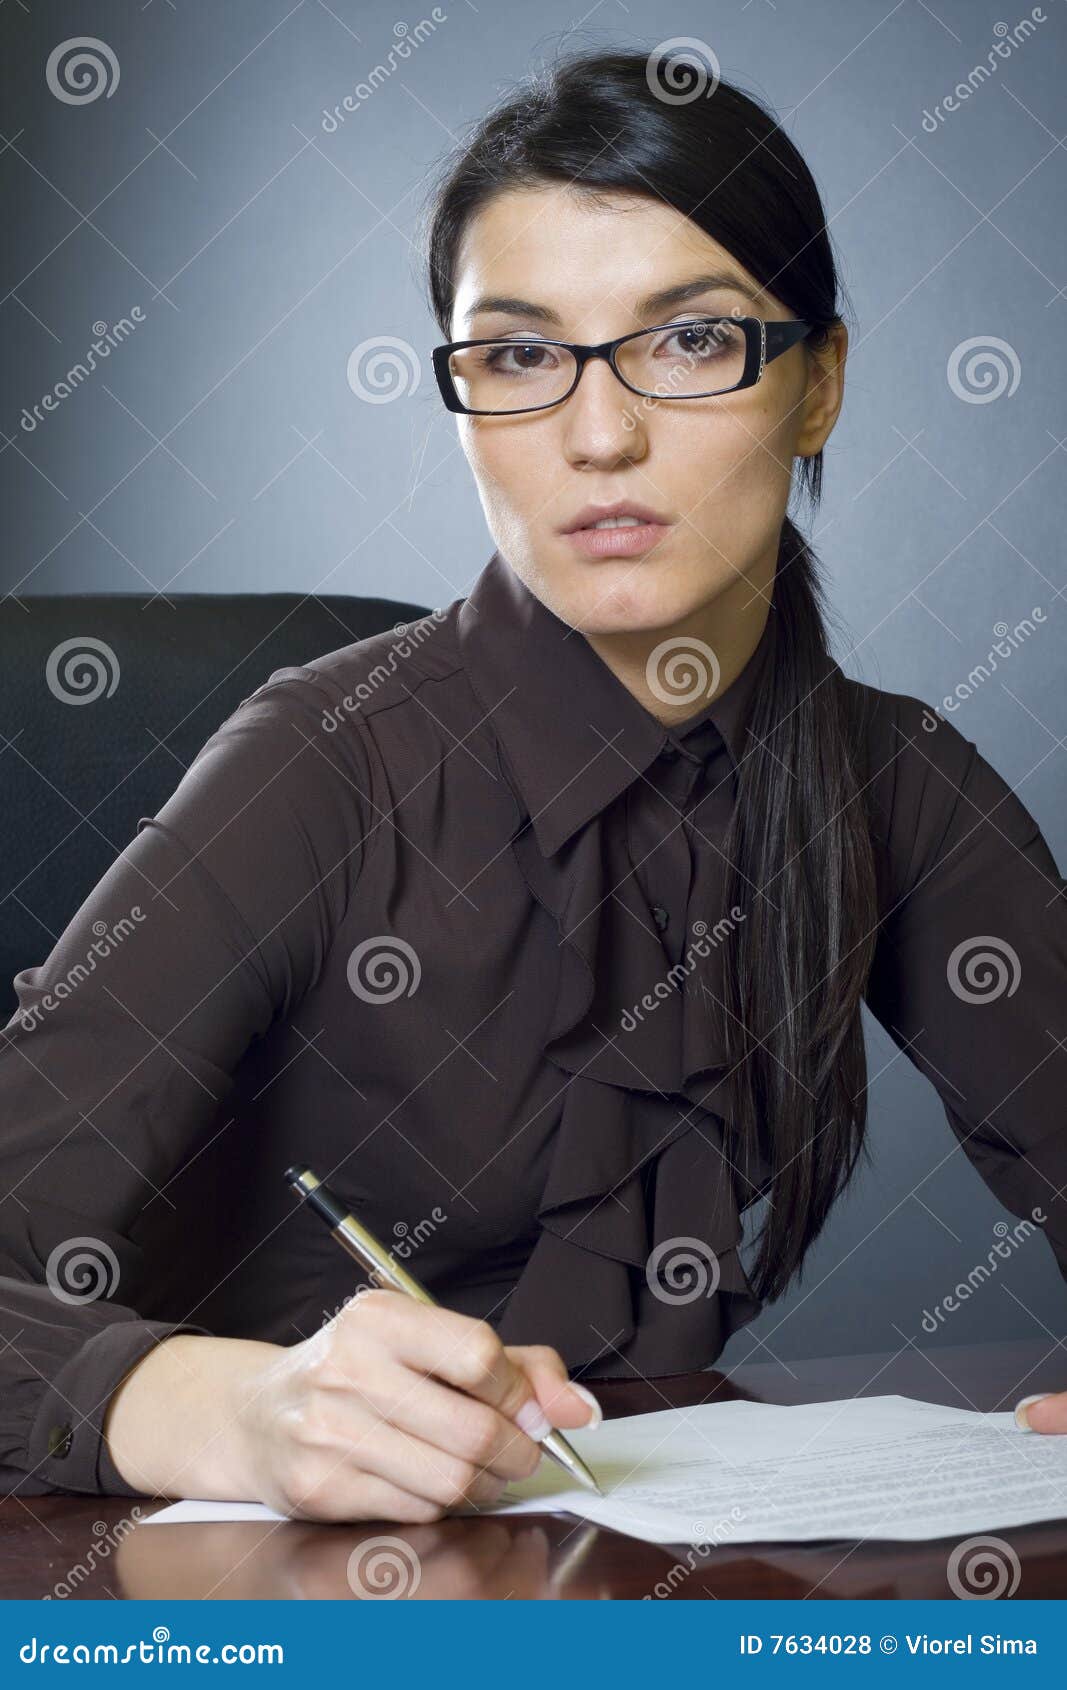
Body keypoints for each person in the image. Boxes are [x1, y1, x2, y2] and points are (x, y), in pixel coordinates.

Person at [2, 47, 1065, 1526]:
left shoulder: (893, 780)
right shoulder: (322, 758)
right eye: (517, 355)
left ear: (818, 383)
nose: (598, 434)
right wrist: (216, 1405)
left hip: (648, 1587)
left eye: (690, 341)